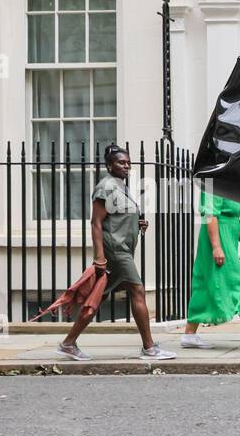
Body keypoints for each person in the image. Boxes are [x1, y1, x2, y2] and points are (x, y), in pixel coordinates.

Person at [56, 144, 177, 362]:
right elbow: (96, 223)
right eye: (122, 162)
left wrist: (138, 222)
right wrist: (99, 257)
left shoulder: (120, 186)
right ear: (110, 165)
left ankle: (68, 343)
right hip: (116, 250)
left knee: (97, 296)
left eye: (128, 162)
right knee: (137, 290)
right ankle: (149, 348)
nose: (127, 166)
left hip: (123, 249)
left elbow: (119, 216)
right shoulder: (106, 187)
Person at [180, 189, 240, 349]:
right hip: (218, 238)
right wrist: (216, 247)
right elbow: (210, 215)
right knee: (236, 283)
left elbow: (236, 220)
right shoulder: (214, 183)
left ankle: (189, 334)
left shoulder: (227, 185)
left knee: (204, 285)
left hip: (227, 236)